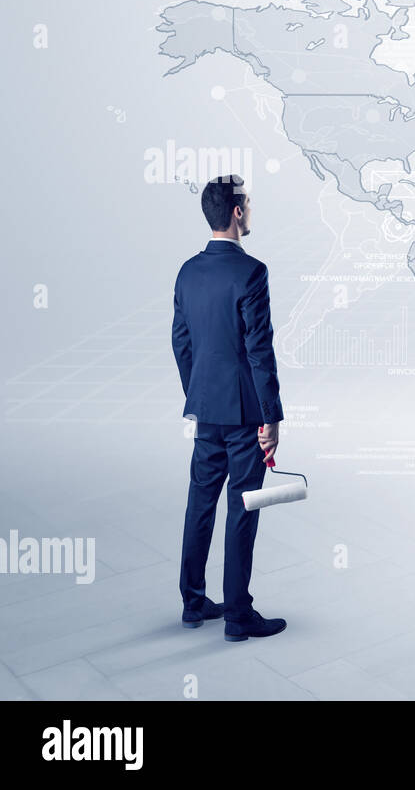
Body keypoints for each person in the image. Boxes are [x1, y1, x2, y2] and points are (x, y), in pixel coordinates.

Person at [172, 174, 287, 641]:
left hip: (206, 410)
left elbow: (181, 342)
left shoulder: (186, 271)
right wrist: (272, 415)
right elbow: (260, 350)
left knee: (200, 501)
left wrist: (197, 394)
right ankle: (238, 615)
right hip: (245, 414)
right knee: (243, 507)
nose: (252, 211)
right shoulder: (252, 272)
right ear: (237, 212)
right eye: (249, 205)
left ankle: (193, 602)